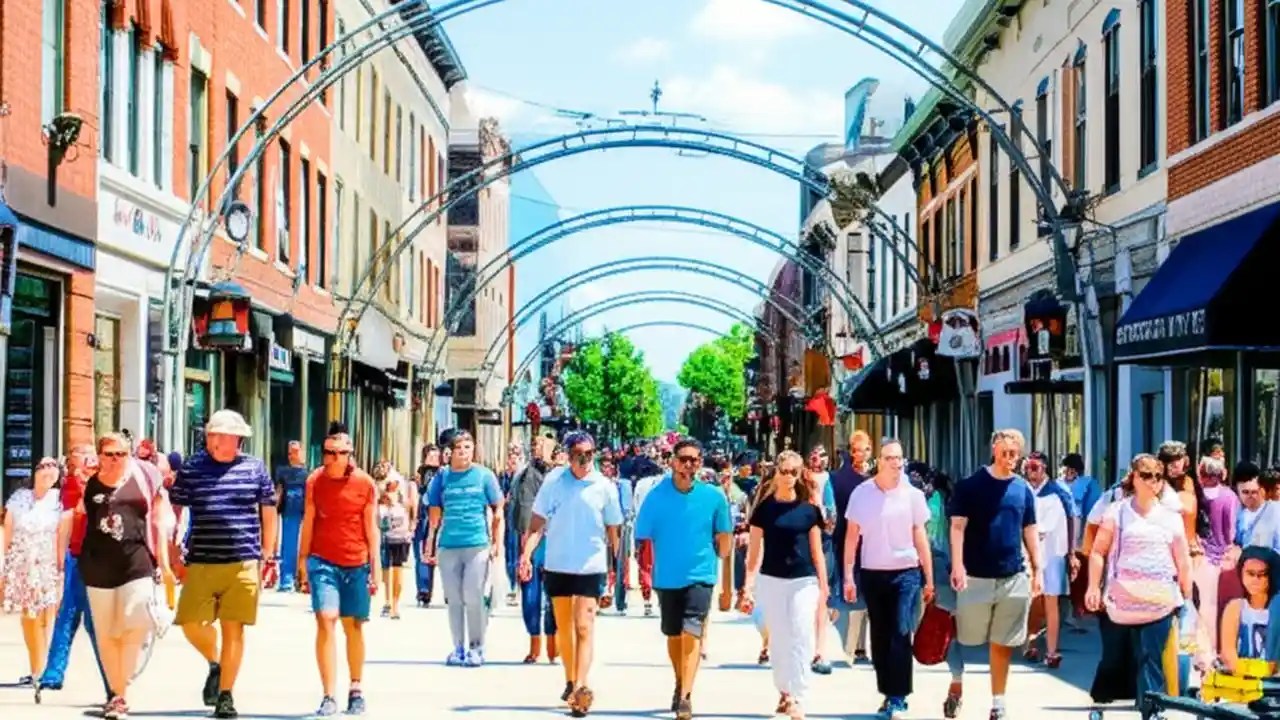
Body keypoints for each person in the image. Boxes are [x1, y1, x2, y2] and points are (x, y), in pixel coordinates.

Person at [170, 409, 278, 719]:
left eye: (218, 434)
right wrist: (173, 553)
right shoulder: (192, 467)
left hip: (243, 561)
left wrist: (267, 553)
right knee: (190, 623)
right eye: (211, 434)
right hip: (201, 561)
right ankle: (215, 662)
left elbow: (268, 510)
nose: (211, 439)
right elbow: (175, 510)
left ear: (235, 439)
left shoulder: (254, 468)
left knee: (235, 630)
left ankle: (226, 696)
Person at [518, 431, 622, 717]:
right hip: (558, 563)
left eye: (590, 454)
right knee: (564, 627)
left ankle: (581, 687)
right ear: (568, 455)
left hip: (591, 565)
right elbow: (537, 524)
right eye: (579, 454)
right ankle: (570, 678)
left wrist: (616, 568)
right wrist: (526, 556)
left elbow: (614, 529)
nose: (585, 460)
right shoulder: (554, 483)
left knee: (584, 626)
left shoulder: (604, 486)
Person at [1086, 453, 1193, 719]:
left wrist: (1187, 596)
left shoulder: (1171, 516)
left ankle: (1152, 712)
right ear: (1134, 477)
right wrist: (1092, 587)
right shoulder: (1116, 512)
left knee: (1150, 659)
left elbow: (1183, 559)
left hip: (1160, 601)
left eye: (1158, 477)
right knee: (1113, 658)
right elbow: (1098, 551)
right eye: (1146, 475)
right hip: (1120, 601)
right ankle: (1101, 702)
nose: (1152, 482)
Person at [634, 438, 732, 720]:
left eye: (694, 460)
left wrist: (727, 587)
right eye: (683, 459)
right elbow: (642, 537)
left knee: (692, 630)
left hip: (701, 574)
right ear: (672, 462)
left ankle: (686, 694)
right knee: (674, 634)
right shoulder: (656, 495)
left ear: (700, 464)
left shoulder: (714, 497)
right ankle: (680, 681)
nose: (688, 465)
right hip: (666, 577)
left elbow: (724, 538)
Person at [80, 435, 176, 719]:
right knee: (107, 633)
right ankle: (117, 694)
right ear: (99, 455)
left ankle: (123, 685)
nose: (115, 459)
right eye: (109, 454)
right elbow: (75, 517)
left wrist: (165, 562)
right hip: (97, 565)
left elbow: (160, 519)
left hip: (136, 560)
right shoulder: (90, 483)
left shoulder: (144, 476)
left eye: (121, 454)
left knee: (135, 622)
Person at [948, 429, 1040, 720]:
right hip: (974, 576)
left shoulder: (1022, 489)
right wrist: (958, 565)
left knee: (1003, 642)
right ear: (994, 449)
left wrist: (1038, 569)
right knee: (964, 637)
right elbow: (957, 527)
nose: (1010, 459)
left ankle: (998, 703)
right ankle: (956, 682)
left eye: (1015, 454)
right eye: (1005, 452)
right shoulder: (970, 486)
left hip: (1012, 576)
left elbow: (1030, 530)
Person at [842, 440, 932, 719]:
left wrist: (929, 577)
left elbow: (920, 536)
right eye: (890, 458)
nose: (896, 463)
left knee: (901, 630)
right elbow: (851, 537)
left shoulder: (913, 495)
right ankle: (887, 692)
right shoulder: (862, 494)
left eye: (900, 458)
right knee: (880, 635)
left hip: (905, 572)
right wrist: (848, 576)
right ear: (879, 461)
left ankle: (899, 696)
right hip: (872, 572)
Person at [740, 450, 828, 720]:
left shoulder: (809, 510)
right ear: (776, 472)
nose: (788, 477)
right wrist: (748, 586)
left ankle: (798, 696)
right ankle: (784, 691)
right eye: (784, 471)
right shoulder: (764, 510)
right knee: (779, 638)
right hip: (772, 579)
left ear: (800, 474)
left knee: (801, 634)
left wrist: (824, 587)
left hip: (804, 580)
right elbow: (754, 553)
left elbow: (817, 552)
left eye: (793, 472)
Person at [296, 429, 379, 717]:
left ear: (350, 453)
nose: (336, 458)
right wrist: (302, 560)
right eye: (330, 452)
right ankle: (328, 694)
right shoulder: (314, 481)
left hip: (356, 562)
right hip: (322, 560)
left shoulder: (365, 483)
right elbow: (308, 519)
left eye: (342, 452)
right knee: (325, 619)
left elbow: (372, 529)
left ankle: (355, 688)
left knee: (352, 625)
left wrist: (376, 568)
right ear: (323, 453)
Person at [426, 430, 503, 667]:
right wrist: (430, 543)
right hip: (449, 544)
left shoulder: (484, 476)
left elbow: (498, 508)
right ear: (450, 452)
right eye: (459, 448)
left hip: (477, 543)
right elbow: (434, 513)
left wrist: (496, 544)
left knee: (474, 595)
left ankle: (476, 647)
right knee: (455, 599)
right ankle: (458, 647)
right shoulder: (442, 477)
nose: (463, 452)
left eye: (468, 447)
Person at [38, 445, 109, 697]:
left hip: (98, 558)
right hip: (78, 557)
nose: (84, 468)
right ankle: (54, 673)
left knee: (91, 621)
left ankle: (111, 680)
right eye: (80, 461)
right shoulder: (72, 486)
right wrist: (60, 559)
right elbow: (69, 519)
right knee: (72, 616)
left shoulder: (106, 482)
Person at [2, 456, 66, 690]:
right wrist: (6, 565)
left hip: (48, 565)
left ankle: (42, 669)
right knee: (29, 617)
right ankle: (36, 668)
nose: (49, 471)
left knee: (45, 618)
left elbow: (63, 535)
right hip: (23, 565)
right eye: (44, 467)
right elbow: (8, 532)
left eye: (53, 467)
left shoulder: (60, 500)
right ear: (35, 472)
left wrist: (62, 569)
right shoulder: (19, 498)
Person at [1022, 451, 1076, 667]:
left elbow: (1072, 519)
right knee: (1031, 600)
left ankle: (1051, 650)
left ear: (1044, 468)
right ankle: (1030, 645)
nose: (1030, 472)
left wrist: (1072, 552)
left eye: (1035, 468)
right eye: (1027, 468)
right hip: (1025, 553)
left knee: (1050, 600)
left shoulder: (1057, 492)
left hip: (1052, 553)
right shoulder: (1022, 489)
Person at [509, 436, 557, 662]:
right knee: (531, 595)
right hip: (532, 539)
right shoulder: (528, 475)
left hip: (556, 541)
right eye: (534, 444)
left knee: (556, 597)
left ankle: (552, 641)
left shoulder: (561, 476)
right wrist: (524, 549)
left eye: (541, 444)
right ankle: (535, 643)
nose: (536, 447)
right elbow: (524, 512)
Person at [830, 431, 872, 663]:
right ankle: (854, 646)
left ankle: (861, 646)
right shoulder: (838, 479)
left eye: (865, 449)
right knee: (855, 594)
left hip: (873, 542)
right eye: (856, 450)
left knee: (870, 596)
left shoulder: (876, 479)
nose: (861, 454)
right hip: (846, 541)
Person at [1220, 545, 1280, 673]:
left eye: (1261, 575)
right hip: (1242, 679)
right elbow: (1228, 651)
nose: (1255, 580)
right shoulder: (1235, 607)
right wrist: (1244, 672)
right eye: (1250, 574)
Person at [275, 441, 309, 592]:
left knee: (304, 547)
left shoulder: (308, 474)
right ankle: (286, 579)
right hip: (288, 512)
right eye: (290, 452)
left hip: (304, 512)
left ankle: (302, 579)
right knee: (288, 546)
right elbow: (278, 491)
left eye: (295, 451)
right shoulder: (282, 472)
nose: (292, 455)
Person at [378, 475, 413, 619]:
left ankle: (395, 604)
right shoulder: (380, 505)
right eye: (389, 485)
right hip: (385, 539)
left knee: (398, 570)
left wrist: (411, 529)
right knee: (386, 570)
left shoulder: (404, 503)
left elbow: (411, 516)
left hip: (400, 539)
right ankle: (387, 601)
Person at [413, 445, 442, 607]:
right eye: (431, 457)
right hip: (422, 516)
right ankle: (423, 590)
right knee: (421, 553)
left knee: (435, 553)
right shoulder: (420, 474)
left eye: (436, 457)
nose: (434, 461)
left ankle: (430, 589)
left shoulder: (443, 474)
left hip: (437, 516)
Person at [634, 467, 664, 616]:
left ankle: (647, 601)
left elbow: (635, 506)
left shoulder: (640, 484)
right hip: (662, 529)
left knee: (645, 565)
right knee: (661, 563)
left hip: (644, 528)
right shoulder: (664, 482)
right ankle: (661, 597)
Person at [500, 445, 524, 607]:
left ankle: (516, 587)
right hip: (506, 519)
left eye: (516, 455)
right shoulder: (502, 477)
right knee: (509, 553)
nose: (513, 458)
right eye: (510, 455)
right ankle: (512, 583)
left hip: (520, 520)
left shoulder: (523, 477)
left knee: (518, 553)